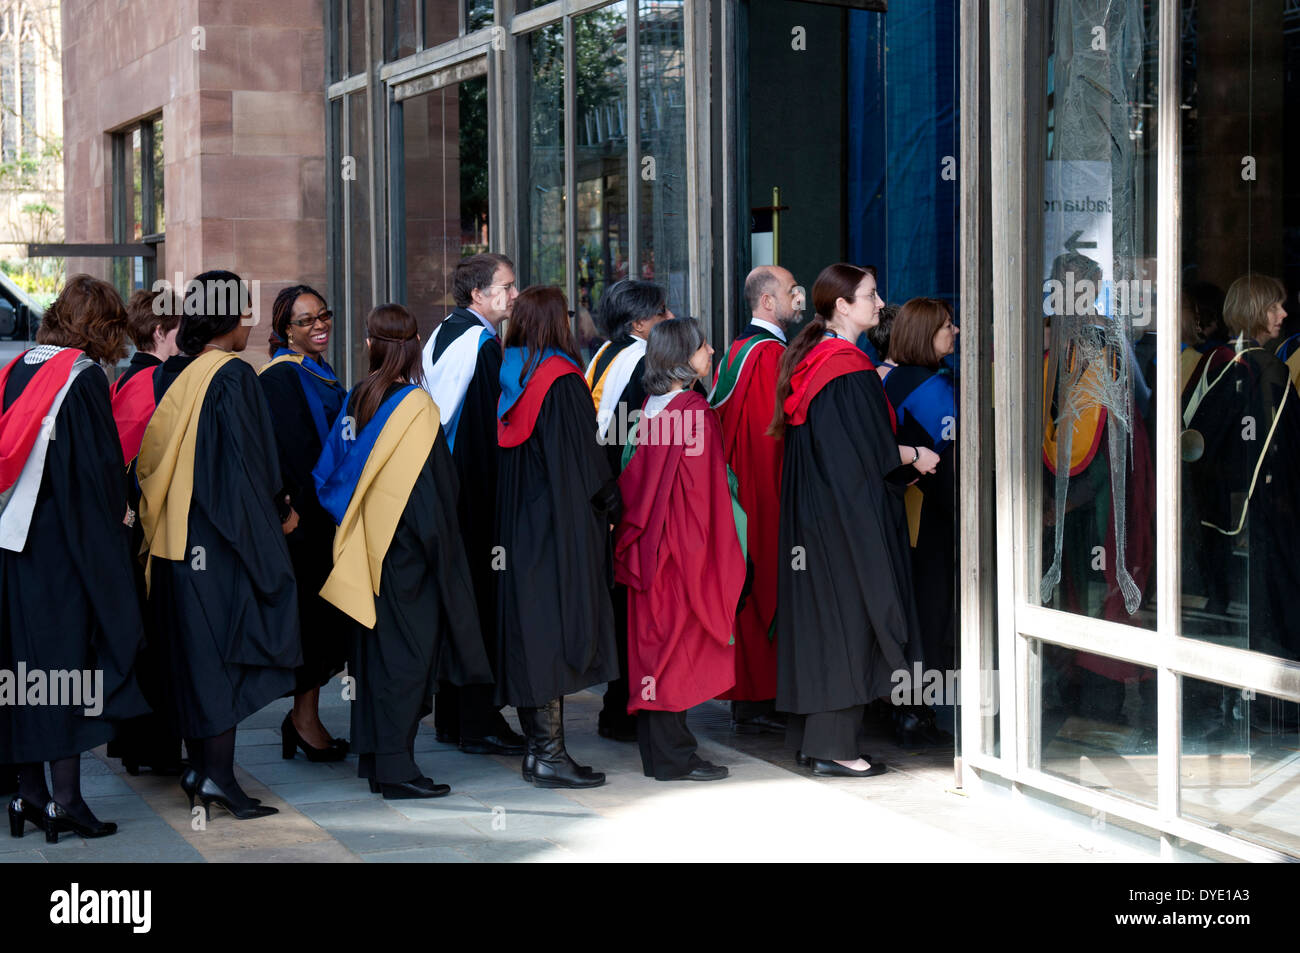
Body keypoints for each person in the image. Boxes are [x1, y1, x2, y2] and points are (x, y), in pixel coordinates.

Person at [137, 270, 301, 821]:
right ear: (230, 318)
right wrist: (276, 519)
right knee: (224, 658)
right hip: (219, 540)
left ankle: (201, 770)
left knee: (197, 658)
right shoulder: (232, 375)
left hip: (176, 544)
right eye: (246, 312)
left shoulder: (180, 376)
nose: (251, 322)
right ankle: (216, 776)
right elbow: (250, 465)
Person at [315, 304, 491, 798]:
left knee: (373, 660)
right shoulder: (416, 409)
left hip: (361, 546)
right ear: (413, 347)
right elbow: (434, 495)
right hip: (407, 555)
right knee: (406, 661)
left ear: (370, 345)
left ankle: (375, 759)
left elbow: (332, 476)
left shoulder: (357, 399)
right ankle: (395, 770)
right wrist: (447, 563)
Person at [769, 263, 935, 778]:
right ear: (842, 305)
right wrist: (913, 455)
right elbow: (870, 454)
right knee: (850, 621)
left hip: (814, 518)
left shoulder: (815, 359)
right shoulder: (849, 369)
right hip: (846, 520)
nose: (880, 303)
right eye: (870, 294)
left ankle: (811, 741)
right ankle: (835, 748)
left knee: (822, 625)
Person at [2, 275, 150, 842]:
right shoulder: (82, 377)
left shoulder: (21, 365)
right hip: (63, 551)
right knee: (67, 668)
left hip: (14, 544)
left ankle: (29, 795)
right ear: (105, 326)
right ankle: (65, 801)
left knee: (22, 673)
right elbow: (95, 478)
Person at [495, 286, 620, 788]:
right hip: (555, 531)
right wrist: (611, 504)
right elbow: (585, 465)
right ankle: (548, 756)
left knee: (531, 633)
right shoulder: (562, 381)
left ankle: (537, 752)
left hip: (515, 530)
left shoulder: (508, 373)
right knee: (551, 636)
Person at [618, 318, 746, 781]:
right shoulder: (692, 411)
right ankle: (674, 758)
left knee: (653, 652)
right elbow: (705, 498)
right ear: (680, 358)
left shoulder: (647, 410)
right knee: (673, 651)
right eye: (701, 347)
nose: (711, 352)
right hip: (677, 555)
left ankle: (662, 755)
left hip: (645, 551)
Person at [420, 252, 525, 756]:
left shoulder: (444, 332)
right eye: (506, 287)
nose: (514, 295)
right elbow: (487, 435)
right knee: (480, 604)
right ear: (478, 294)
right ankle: (479, 722)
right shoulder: (482, 347)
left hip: (445, 488)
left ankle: (453, 718)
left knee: (458, 603)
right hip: (474, 494)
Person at [1183, 274, 1300, 662]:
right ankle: (1265, 707)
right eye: (1273, 306)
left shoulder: (1212, 360)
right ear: (1254, 312)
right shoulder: (1270, 371)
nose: (1283, 313)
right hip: (1264, 517)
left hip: (1215, 512)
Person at [259, 285, 351, 762]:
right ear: (284, 330)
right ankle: (304, 719)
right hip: (303, 525)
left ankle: (303, 717)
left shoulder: (318, 371)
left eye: (324, 314)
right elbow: (277, 454)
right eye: (305, 320)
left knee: (323, 621)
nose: (319, 325)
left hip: (326, 518)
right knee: (312, 623)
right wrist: (288, 513)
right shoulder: (279, 377)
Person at [709, 266, 799, 734]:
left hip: (739, 487)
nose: (797, 298)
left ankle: (752, 697)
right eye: (790, 291)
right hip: (762, 488)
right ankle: (758, 697)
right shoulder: (767, 355)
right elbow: (772, 439)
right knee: (763, 579)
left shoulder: (738, 350)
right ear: (768, 302)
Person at [585, 279, 674, 742]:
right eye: (662, 311)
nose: (669, 316)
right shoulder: (641, 360)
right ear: (639, 322)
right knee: (632, 605)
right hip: (623, 495)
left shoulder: (605, 353)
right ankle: (624, 708)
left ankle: (617, 705)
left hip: (603, 493)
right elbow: (628, 436)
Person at [105, 287, 184, 777]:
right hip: (149, 534)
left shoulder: (123, 381)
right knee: (158, 638)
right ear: (160, 332)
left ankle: (136, 747)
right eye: (179, 331)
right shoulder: (157, 383)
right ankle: (154, 748)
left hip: (124, 527)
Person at [878, 297, 959, 745]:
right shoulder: (929, 385)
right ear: (927, 334)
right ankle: (919, 714)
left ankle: (906, 709)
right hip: (932, 515)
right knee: (931, 615)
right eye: (948, 325)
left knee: (912, 611)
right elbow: (953, 455)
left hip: (905, 512)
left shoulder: (891, 379)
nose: (956, 331)